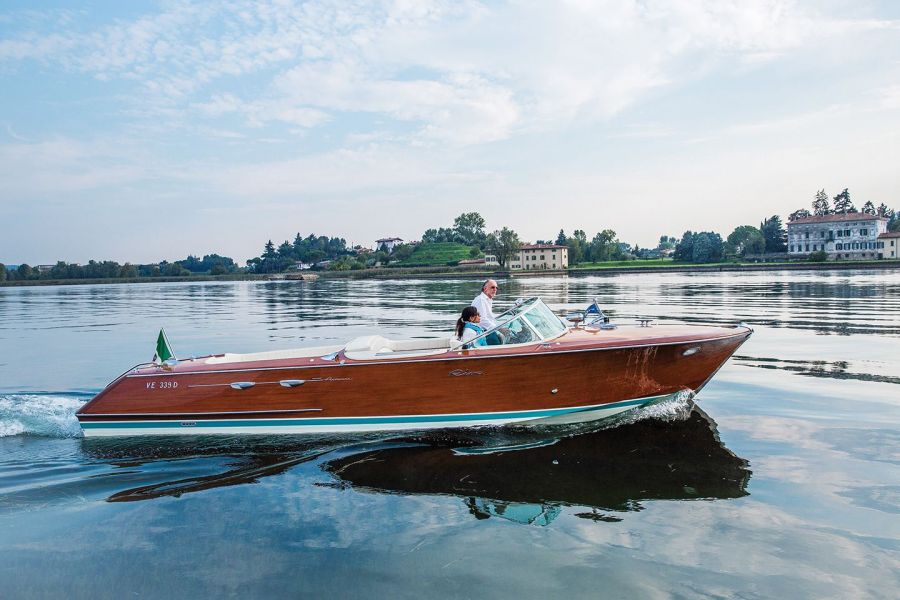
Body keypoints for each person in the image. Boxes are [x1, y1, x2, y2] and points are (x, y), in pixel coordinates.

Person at [471, 279, 503, 345]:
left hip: (487, 330)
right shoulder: (480, 300)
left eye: (496, 287)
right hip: (483, 333)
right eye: (492, 287)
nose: (495, 289)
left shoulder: (487, 300)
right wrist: (499, 329)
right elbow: (482, 320)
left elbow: (489, 317)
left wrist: (501, 325)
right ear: (485, 288)